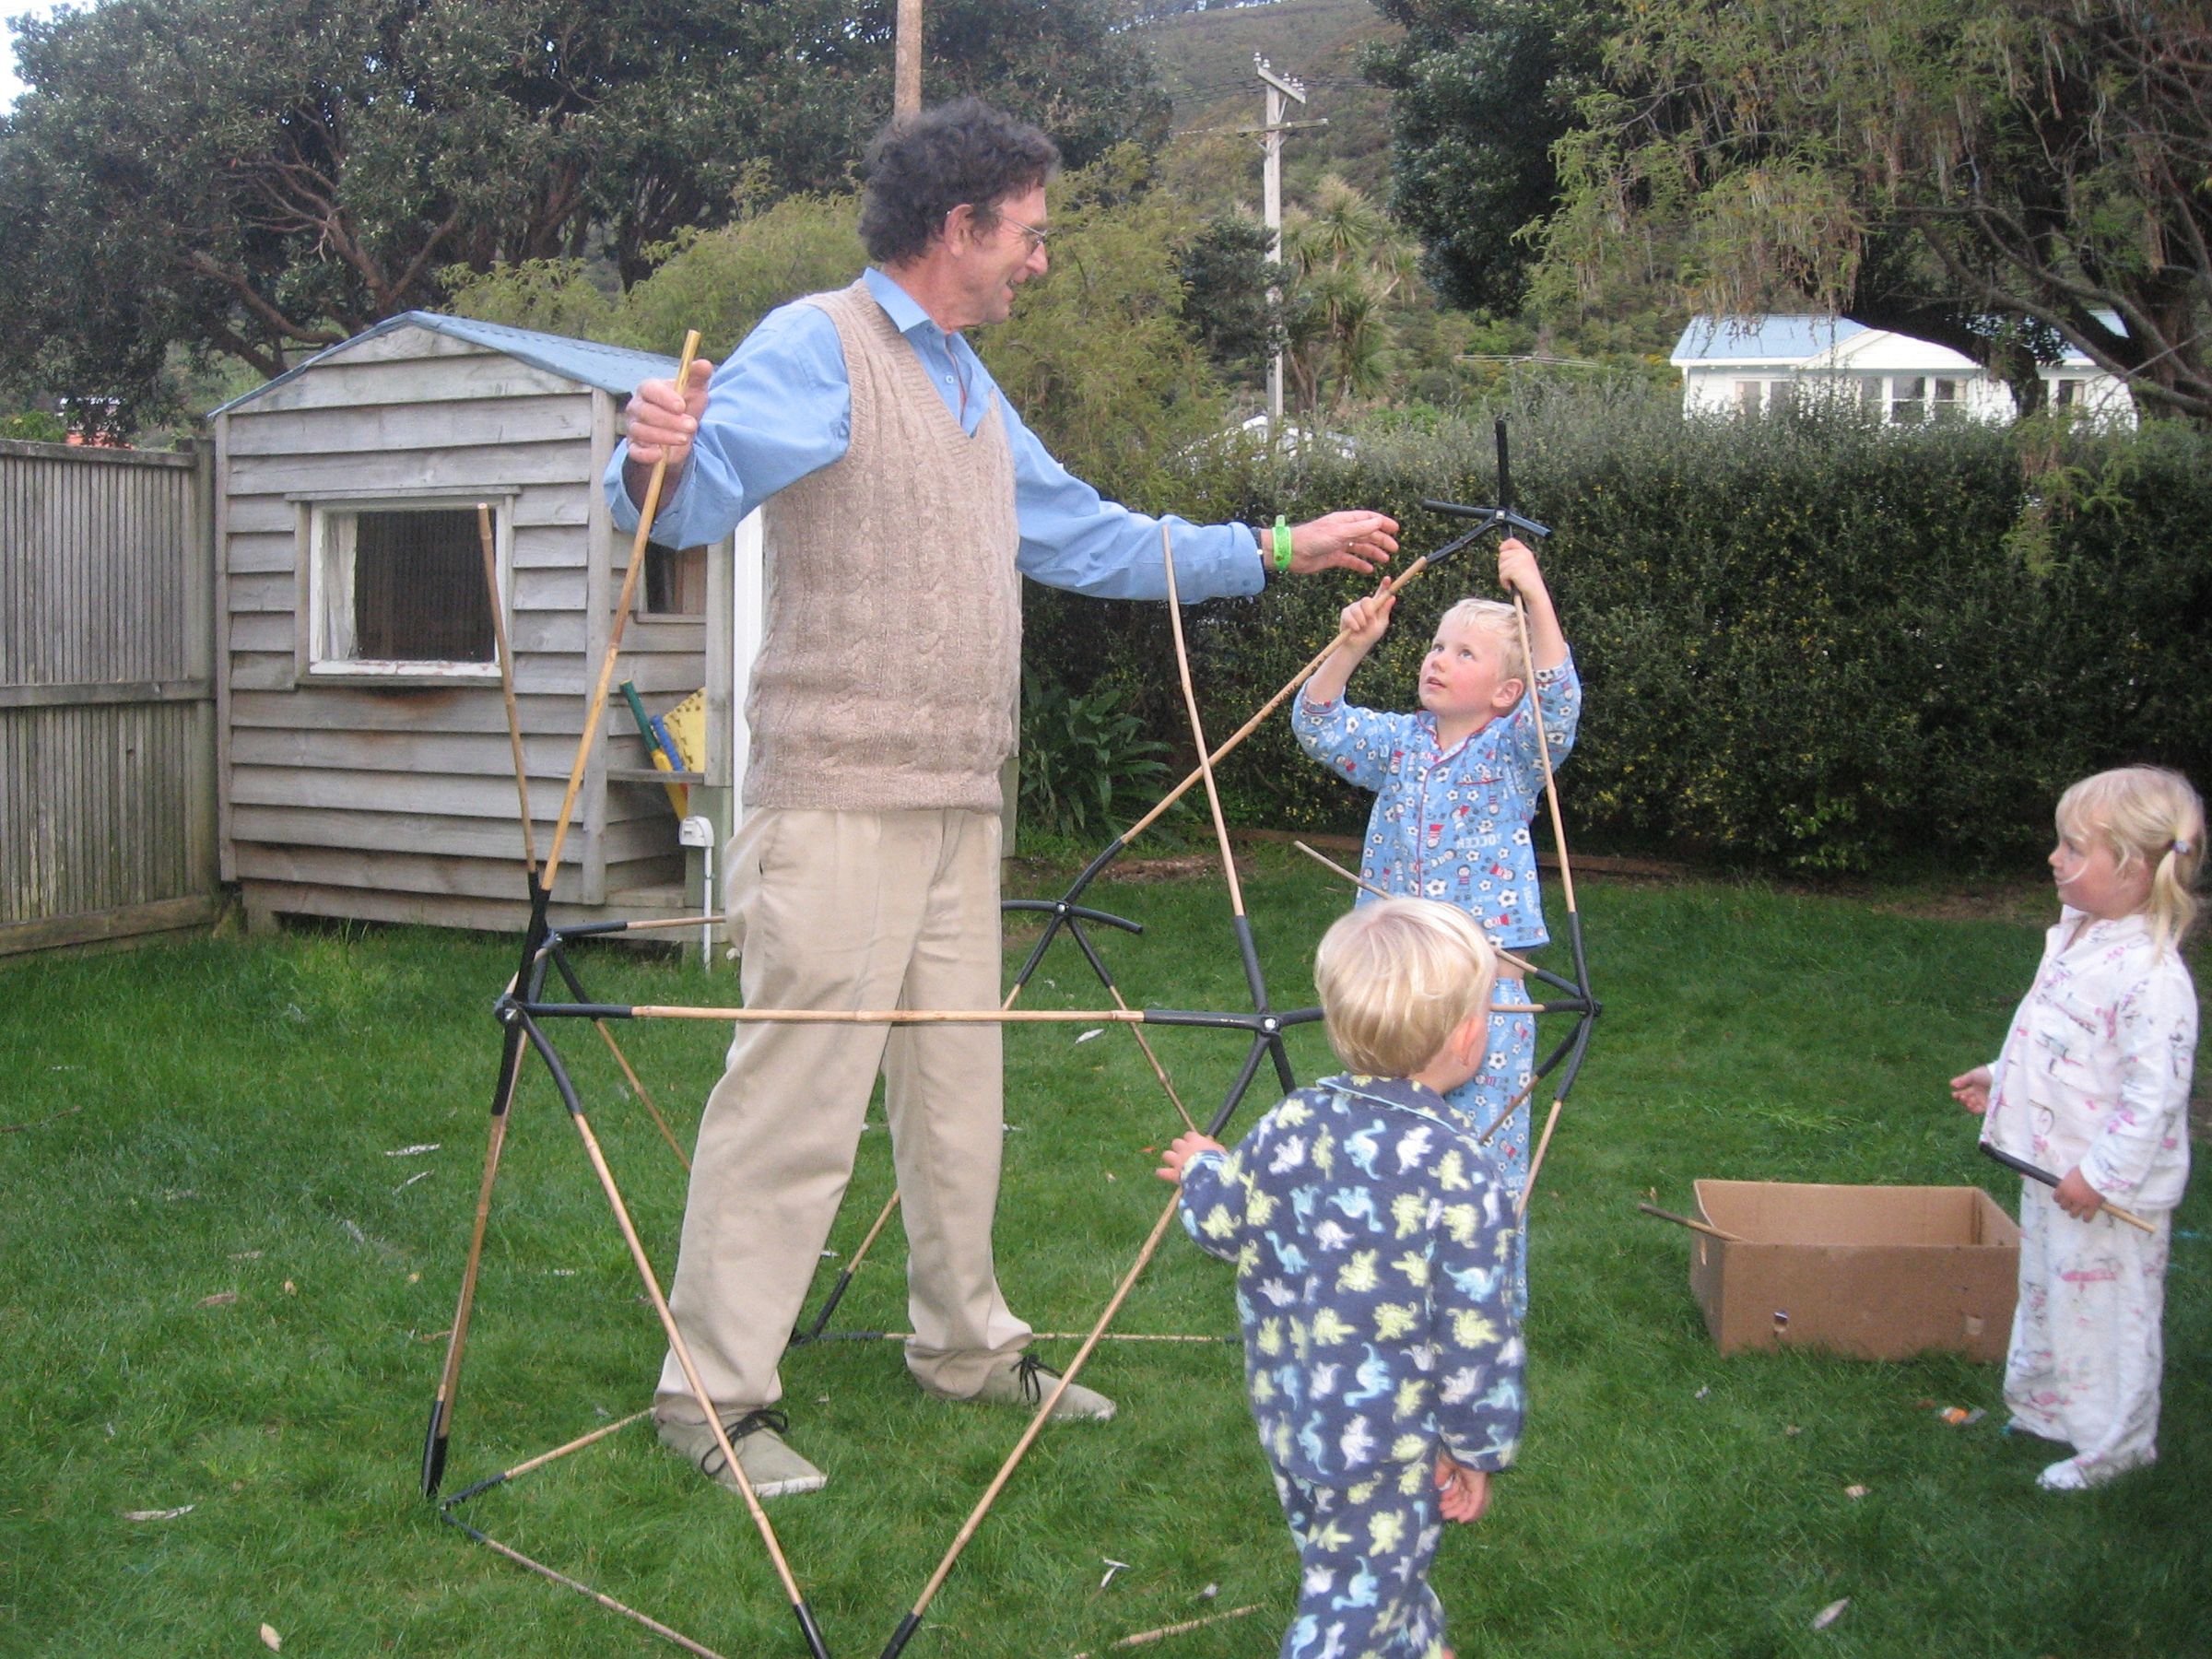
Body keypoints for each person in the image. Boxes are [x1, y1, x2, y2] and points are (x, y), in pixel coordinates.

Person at [604, 98, 1402, 1500]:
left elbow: (1089, 535)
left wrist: (1279, 544)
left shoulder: (970, 383)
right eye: (1027, 233)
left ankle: (967, 1347)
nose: (1042, 258)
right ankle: (713, 1396)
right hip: (840, 801)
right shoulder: (824, 343)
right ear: (958, 227)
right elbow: (687, 500)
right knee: (792, 1105)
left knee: (959, 1100)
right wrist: (651, 450)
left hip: (958, 801)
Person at [1157, 898, 1524, 1659]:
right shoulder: (1461, 1172)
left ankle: (1418, 1645)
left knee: (1362, 1571)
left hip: (1293, 1418)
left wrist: (1202, 1170)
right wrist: (1477, 1445)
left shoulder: (1292, 1122)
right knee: (1346, 1613)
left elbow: (1225, 1221)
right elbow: (1475, 1333)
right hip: (1387, 1445)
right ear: (1466, 1034)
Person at [1288, 535, 1577, 1317]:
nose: (1438, 658)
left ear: (1507, 692)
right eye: (1436, 644)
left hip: (1486, 995)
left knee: (1483, 1155)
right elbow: (1318, 726)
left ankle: (1482, 1313)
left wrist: (1536, 597)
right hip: (1395, 993)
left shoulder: (1517, 751)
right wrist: (1350, 648)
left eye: (1465, 652)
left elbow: (1561, 706)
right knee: (1392, 1150)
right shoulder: (1400, 745)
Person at [1949, 765, 2201, 1492]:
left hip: (2108, 1191)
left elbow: (2154, 1098)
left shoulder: (2153, 976)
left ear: (2132, 868)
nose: (2054, 859)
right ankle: (2047, 1411)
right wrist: (2001, 1076)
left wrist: (2103, 1175)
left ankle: (2117, 1446)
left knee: (2107, 1316)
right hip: (2055, 1170)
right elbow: (2061, 1036)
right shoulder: (2084, 938)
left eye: (2072, 848)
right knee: (2051, 1290)